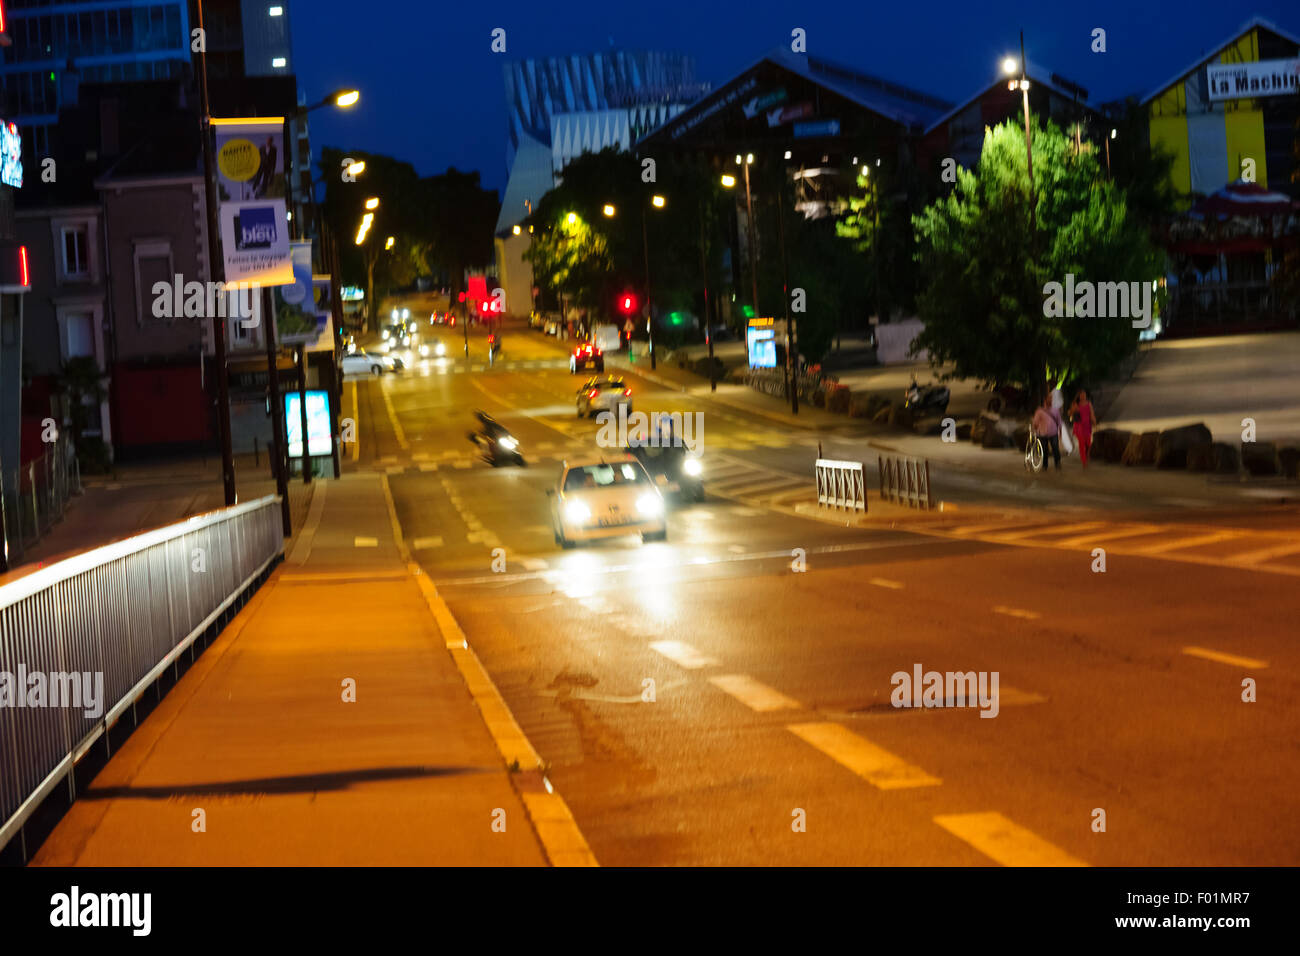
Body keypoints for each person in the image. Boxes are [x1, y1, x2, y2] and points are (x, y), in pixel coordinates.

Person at [1032, 396, 1061, 471]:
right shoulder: (1039, 411)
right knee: (1044, 450)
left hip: (1053, 433)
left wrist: (1060, 431)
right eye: (1049, 399)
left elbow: (1059, 421)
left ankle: (1057, 463)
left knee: (1055, 448)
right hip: (1042, 434)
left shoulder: (1055, 410)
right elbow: (1035, 422)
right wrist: (1035, 430)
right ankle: (1045, 465)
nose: (1050, 401)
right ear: (1045, 401)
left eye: (1051, 399)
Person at [1069, 389, 1096, 468]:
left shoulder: (1089, 404)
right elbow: (1070, 413)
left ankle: (1087, 456)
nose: (1083, 396)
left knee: (1088, 443)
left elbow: (1091, 413)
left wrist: (1094, 421)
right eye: (1081, 395)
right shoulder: (1075, 404)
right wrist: (1073, 410)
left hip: (1087, 426)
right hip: (1079, 426)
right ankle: (1084, 462)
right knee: (1081, 444)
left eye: (1084, 395)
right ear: (1079, 396)